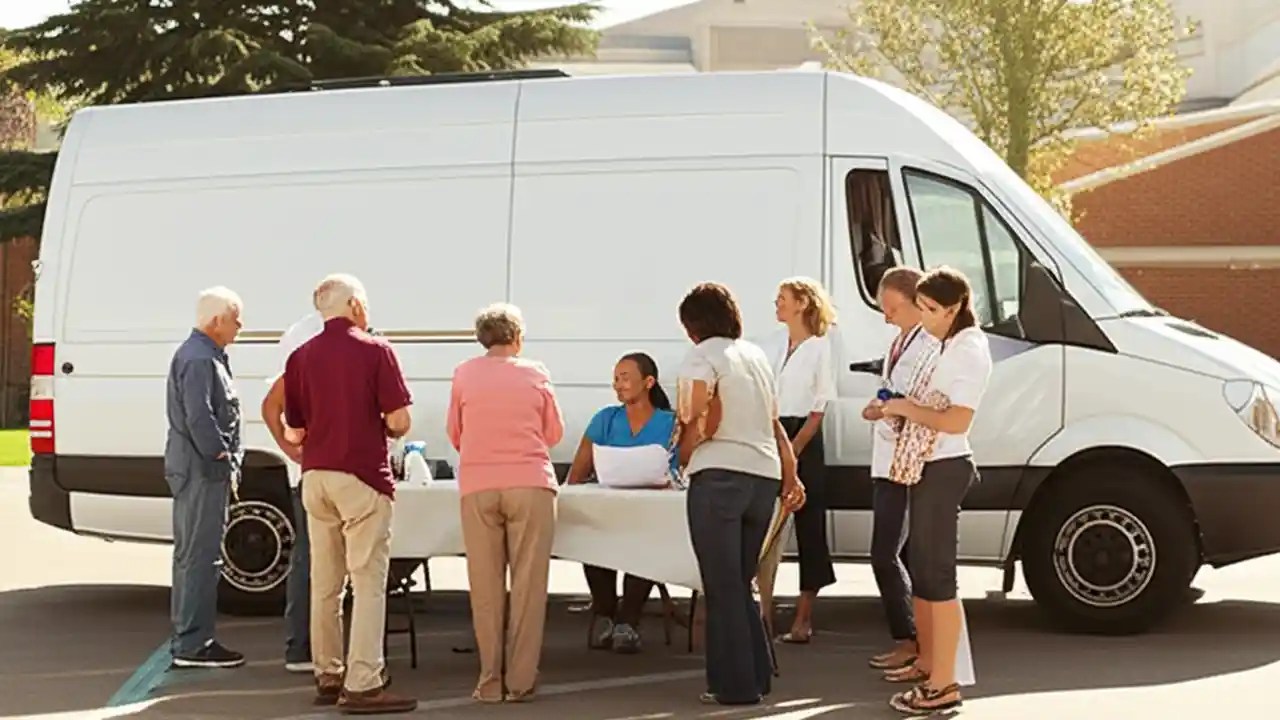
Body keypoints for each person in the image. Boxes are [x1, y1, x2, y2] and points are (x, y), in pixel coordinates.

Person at [283, 274, 417, 714]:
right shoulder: (376, 350)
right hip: (360, 473)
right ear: (356, 306)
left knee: (325, 581)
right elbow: (398, 421)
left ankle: (328, 673)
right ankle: (363, 681)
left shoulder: (301, 357)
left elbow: (295, 427)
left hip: (315, 475)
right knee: (368, 579)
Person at [675, 282, 806, 706]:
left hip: (719, 474)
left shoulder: (702, 355)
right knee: (741, 580)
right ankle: (757, 675)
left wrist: (683, 452)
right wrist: (791, 474)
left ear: (693, 325)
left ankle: (734, 687)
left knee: (722, 584)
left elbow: (698, 415)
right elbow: (775, 424)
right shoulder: (755, 357)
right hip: (762, 476)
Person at [878, 267, 992, 714]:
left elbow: (957, 420)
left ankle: (944, 685)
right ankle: (933, 669)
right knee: (925, 574)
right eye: (920, 308)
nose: (923, 318)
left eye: (930, 310)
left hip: (945, 464)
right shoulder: (950, 343)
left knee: (938, 578)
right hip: (928, 463)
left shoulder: (967, 349)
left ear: (955, 308)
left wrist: (904, 406)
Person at [447, 303, 564, 704]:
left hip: (478, 484)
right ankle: (521, 679)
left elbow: (455, 432)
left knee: (485, 586)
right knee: (529, 584)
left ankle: (489, 679)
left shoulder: (464, 373)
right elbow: (553, 432)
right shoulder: (536, 373)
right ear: (517, 337)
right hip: (530, 482)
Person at [565, 352, 677, 654]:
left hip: (650, 515)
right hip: (608, 513)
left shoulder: (671, 423)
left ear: (649, 382)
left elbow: (680, 472)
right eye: (615, 378)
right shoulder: (605, 419)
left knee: (647, 547)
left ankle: (628, 622)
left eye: (625, 377)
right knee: (591, 540)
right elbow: (577, 472)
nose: (618, 384)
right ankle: (605, 615)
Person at [165, 286, 246, 669]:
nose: (240, 326)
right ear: (216, 321)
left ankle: (188, 636)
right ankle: (194, 643)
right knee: (200, 556)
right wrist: (221, 453)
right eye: (235, 318)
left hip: (195, 468)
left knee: (191, 555)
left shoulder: (203, 354)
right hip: (202, 470)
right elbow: (200, 416)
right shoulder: (200, 359)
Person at [863, 267, 933, 671]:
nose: (886, 315)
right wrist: (881, 404)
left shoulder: (927, 346)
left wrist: (884, 408)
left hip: (904, 462)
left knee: (884, 554)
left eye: (891, 307)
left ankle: (907, 638)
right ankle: (913, 642)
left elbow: (917, 400)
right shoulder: (901, 341)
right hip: (888, 457)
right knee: (898, 553)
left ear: (913, 301)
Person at [768, 277, 838, 644]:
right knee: (766, 523)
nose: (776, 304)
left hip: (802, 438)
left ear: (801, 304)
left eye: (783, 299)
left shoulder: (820, 347)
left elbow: (819, 407)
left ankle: (804, 616)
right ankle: (762, 611)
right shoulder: (776, 343)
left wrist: (793, 451)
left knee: (810, 528)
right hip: (774, 433)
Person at [261, 302, 324, 674]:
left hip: (306, 471)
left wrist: (287, 448)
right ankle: (318, 649)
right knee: (337, 562)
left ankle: (300, 647)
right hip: (334, 471)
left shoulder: (298, 336)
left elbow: (272, 404)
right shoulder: (334, 342)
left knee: (307, 557)